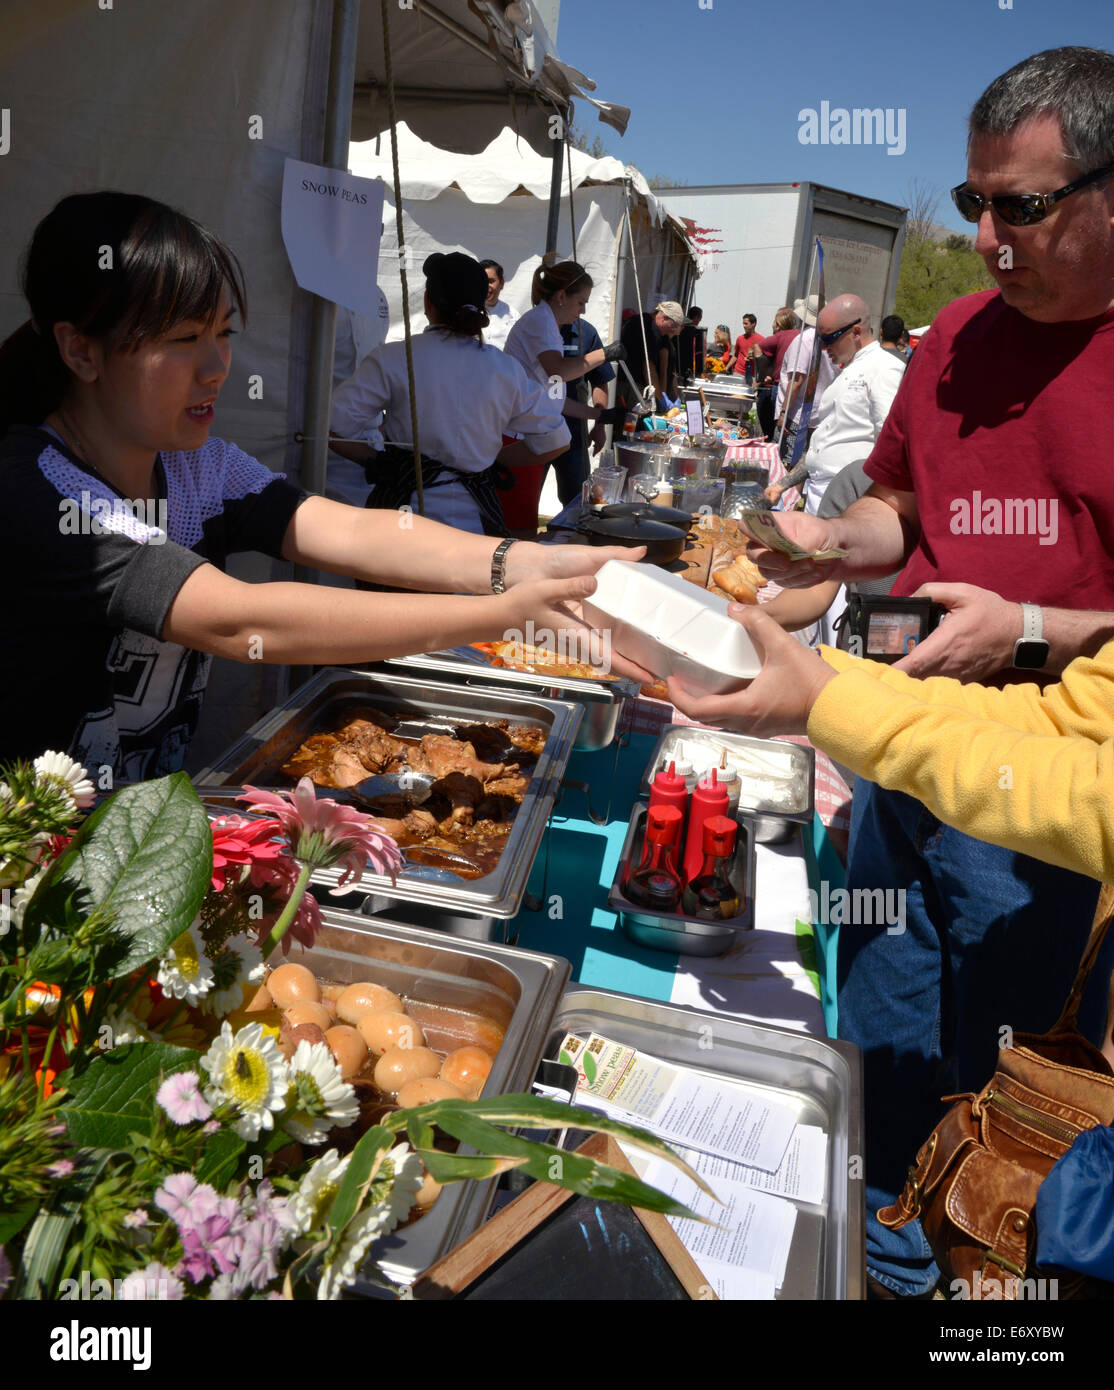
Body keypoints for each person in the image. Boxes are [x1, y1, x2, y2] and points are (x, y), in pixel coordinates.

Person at [736, 46, 1114, 1299]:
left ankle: (963, 1273)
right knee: (879, 999)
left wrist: (1028, 626)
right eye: (973, 205)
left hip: (1043, 789)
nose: (992, 238)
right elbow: (901, 506)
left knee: (996, 1066)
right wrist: (829, 540)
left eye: (1024, 205)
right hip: (896, 727)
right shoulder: (953, 333)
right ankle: (869, 1224)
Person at [0, 192, 633, 779]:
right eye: (184, 339)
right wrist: (499, 612)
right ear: (80, 352)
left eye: (224, 333)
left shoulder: (200, 467)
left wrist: (522, 562)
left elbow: (351, 528)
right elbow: (235, 619)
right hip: (37, 871)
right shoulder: (37, 489)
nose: (218, 368)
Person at [330, 252, 572, 536]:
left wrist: (381, 463)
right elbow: (557, 440)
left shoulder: (394, 358)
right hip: (475, 525)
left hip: (404, 523)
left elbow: (332, 427)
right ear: (481, 305)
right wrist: (491, 461)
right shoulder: (504, 368)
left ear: (428, 303)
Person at [501, 257, 626, 527]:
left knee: (523, 522)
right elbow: (558, 372)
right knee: (515, 525)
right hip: (516, 435)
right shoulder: (539, 323)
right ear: (561, 296)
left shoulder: (550, 326)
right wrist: (605, 354)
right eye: (580, 302)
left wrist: (600, 415)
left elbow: (554, 398)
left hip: (528, 434)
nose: (581, 311)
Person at [765, 294, 904, 516]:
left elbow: (891, 446)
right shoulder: (846, 369)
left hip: (848, 502)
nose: (823, 347)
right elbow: (823, 443)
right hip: (821, 496)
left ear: (856, 332)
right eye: (819, 340)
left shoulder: (885, 368)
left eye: (828, 339)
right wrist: (782, 485)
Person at [548, 315, 616, 507]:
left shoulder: (586, 332)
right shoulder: (535, 328)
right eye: (579, 302)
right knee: (524, 502)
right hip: (535, 431)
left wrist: (599, 426)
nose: (583, 308)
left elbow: (600, 380)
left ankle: (572, 536)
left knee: (577, 499)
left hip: (573, 434)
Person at [776, 296, 836, 463]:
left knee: (788, 464)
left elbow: (796, 380)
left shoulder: (804, 339)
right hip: (820, 414)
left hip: (797, 414)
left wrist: (783, 413)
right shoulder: (829, 339)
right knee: (805, 467)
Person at [618, 300, 685, 411]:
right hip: (630, 386)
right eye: (673, 326)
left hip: (629, 384)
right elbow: (649, 368)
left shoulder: (643, 321)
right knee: (629, 423)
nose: (672, 330)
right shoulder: (649, 329)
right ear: (664, 318)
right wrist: (660, 399)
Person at [753, 307, 799, 439]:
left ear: (778, 325)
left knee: (771, 428)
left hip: (779, 386)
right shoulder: (799, 334)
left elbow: (758, 346)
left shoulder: (779, 336)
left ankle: (771, 451)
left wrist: (763, 372)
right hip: (796, 385)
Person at [479, 258, 518, 351]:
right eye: (481, 280)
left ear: (502, 283)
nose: (485, 285)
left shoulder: (513, 315)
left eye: (491, 281)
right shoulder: (467, 311)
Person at [725, 312, 761, 379]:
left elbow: (762, 360)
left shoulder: (761, 340)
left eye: (746, 324)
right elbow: (735, 355)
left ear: (753, 324)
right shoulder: (740, 338)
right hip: (737, 372)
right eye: (743, 323)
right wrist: (727, 367)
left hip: (752, 374)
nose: (744, 326)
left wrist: (754, 359)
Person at [676, 307, 706, 382]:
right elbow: (698, 352)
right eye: (700, 317)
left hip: (676, 364)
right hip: (688, 368)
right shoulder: (696, 332)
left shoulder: (678, 329)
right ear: (696, 317)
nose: (700, 320)